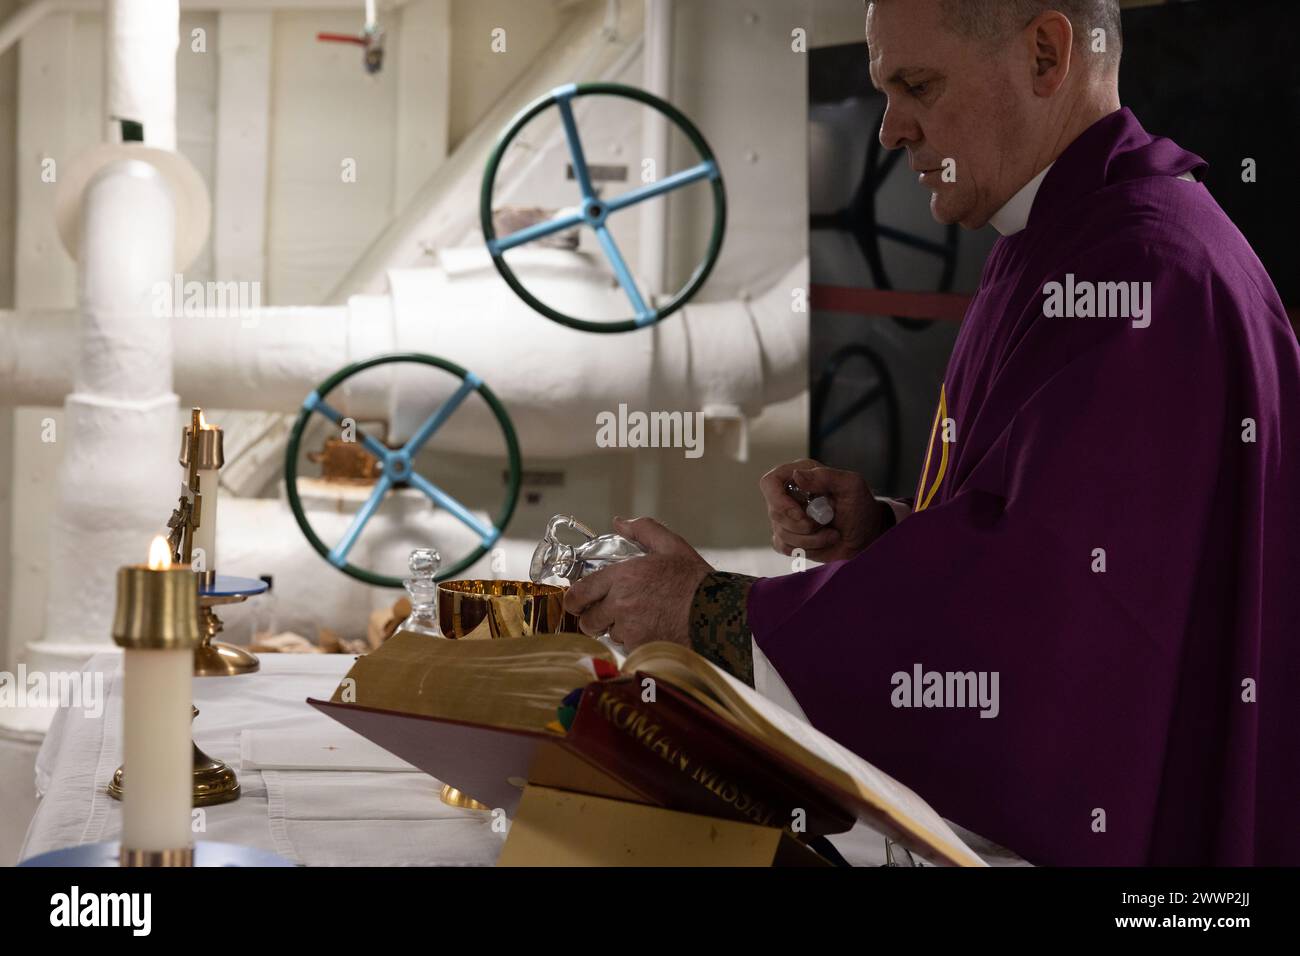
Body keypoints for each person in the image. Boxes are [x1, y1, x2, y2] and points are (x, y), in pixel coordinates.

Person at [562, 0, 1300, 866]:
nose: (887, 131)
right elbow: (1043, 538)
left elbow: (1047, 623)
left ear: (1045, 54)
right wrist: (887, 534)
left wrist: (713, 612)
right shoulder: (1059, 242)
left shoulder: (1143, 272)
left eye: (916, 84)